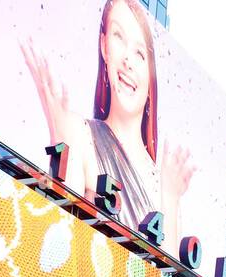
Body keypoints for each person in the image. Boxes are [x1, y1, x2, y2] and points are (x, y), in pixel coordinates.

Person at [21, 0, 194, 245]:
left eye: (140, 53)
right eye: (118, 37)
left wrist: (172, 197)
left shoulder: (164, 180)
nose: (128, 60)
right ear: (104, 45)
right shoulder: (79, 133)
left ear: (150, 74)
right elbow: (60, 237)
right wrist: (60, 142)